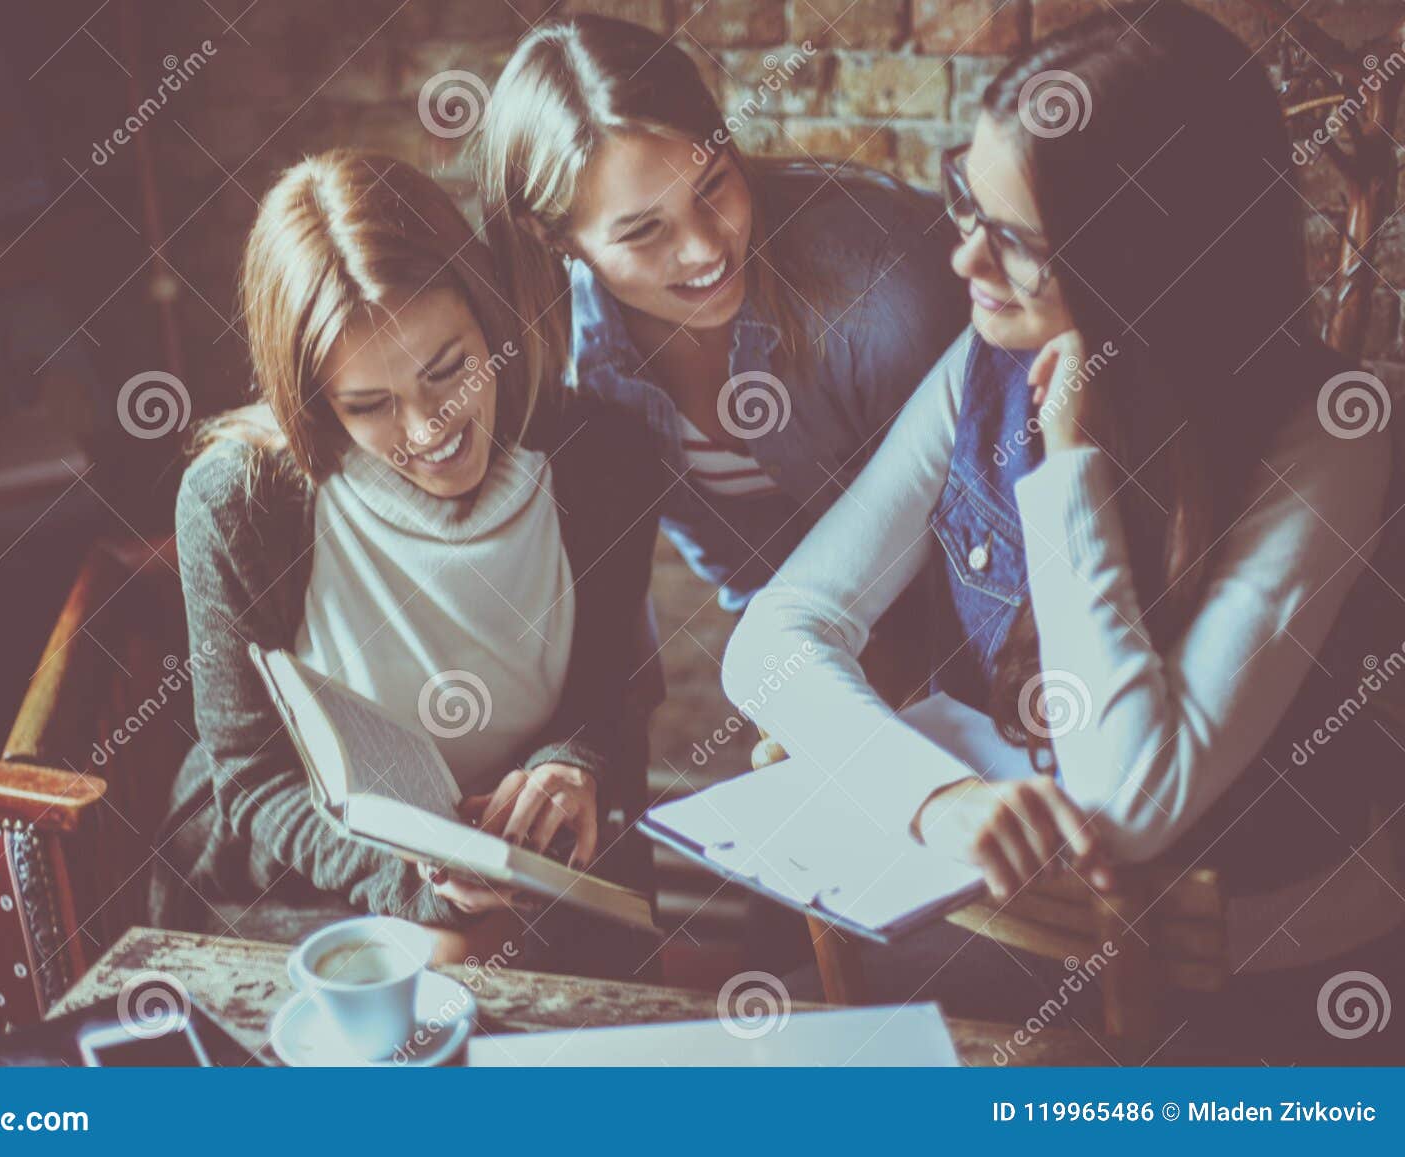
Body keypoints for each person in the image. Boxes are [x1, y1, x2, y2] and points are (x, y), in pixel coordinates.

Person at [720, 1, 1404, 1061]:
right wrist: (934, 795)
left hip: (1268, 984)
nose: (962, 264)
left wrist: (1072, 463)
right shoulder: (984, 364)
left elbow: (1129, 801)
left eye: (1014, 240)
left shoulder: (1332, 427)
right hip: (1052, 930)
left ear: (1137, 253)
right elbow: (774, 638)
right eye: (965, 201)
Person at [151, 150, 664, 974]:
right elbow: (250, 780)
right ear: (311, 401)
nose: (430, 429)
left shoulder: (604, 459)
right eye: (370, 405)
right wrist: (417, 882)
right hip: (307, 874)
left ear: (488, 321)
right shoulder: (238, 502)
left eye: (450, 369)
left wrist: (575, 764)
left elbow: (609, 696)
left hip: (532, 869)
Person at [474, 14, 969, 614]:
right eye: (643, 230)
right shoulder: (572, 361)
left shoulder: (881, 294)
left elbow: (980, 544)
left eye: (711, 186)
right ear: (554, 238)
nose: (706, 248)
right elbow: (751, 575)